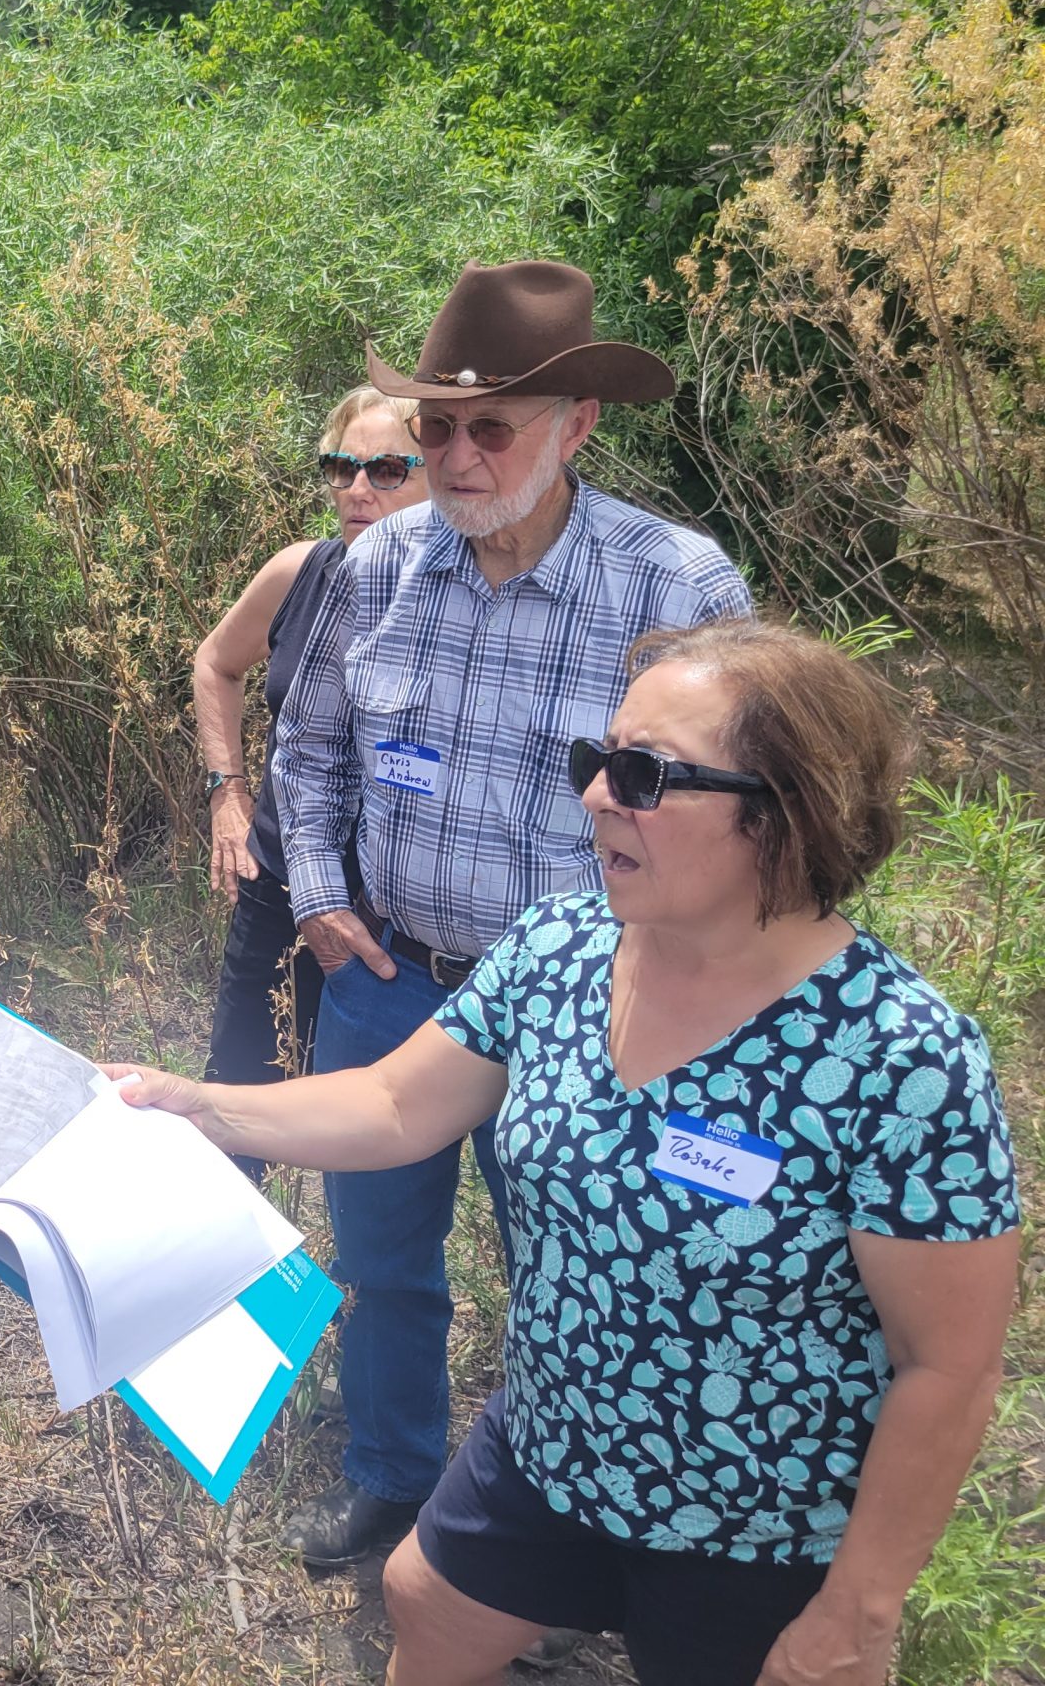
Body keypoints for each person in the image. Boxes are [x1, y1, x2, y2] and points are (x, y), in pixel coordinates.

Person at [114, 617, 1020, 1686]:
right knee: (421, 1598)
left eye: (642, 774)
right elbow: (395, 1107)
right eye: (596, 761)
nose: (595, 795)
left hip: (757, 1523)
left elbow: (948, 1369)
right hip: (552, 1443)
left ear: (785, 816)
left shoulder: (899, 1059)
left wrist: (857, 1612)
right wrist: (198, 1107)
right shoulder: (561, 947)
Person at [268, 259, 756, 1563]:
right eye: (435, 427)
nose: (458, 455)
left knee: (583, 1278)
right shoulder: (377, 570)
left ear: (575, 427)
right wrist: (319, 897)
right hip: (394, 977)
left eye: (493, 428)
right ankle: (393, 1482)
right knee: (380, 1260)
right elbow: (305, 748)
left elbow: (747, 803)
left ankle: (560, 1529)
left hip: (596, 1008)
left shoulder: (677, 588)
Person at [192, 385, 429, 1132]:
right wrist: (226, 794)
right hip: (283, 882)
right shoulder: (304, 571)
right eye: (341, 467)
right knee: (243, 1096)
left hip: (406, 920)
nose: (357, 491)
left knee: (378, 1124)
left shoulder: (464, 598)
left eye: (387, 470)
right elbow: (214, 663)